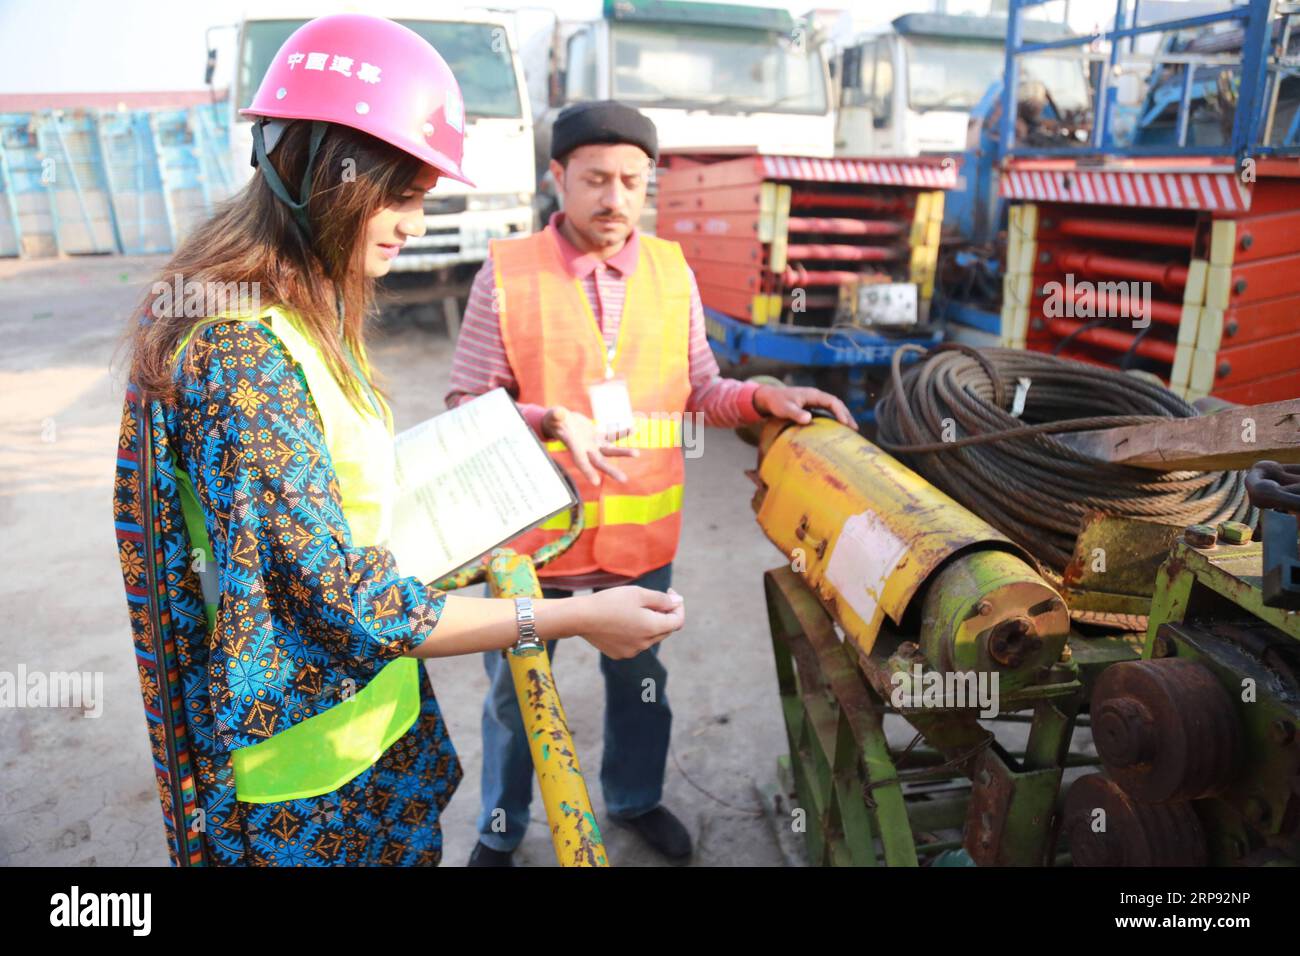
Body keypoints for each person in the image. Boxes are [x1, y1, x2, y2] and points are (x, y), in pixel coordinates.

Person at [113, 15, 684, 868]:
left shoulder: (301, 314)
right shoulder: (240, 349)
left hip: (358, 729)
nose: (415, 222)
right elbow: (344, 599)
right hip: (302, 776)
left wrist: (515, 428)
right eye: (402, 194)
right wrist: (576, 617)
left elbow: (321, 489)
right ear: (322, 172)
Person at [447, 99, 854, 866]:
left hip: (639, 542)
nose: (616, 199)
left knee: (641, 683)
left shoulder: (671, 269)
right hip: (531, 545)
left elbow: (702, 388)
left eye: (633, 181)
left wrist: (762, 395)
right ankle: (500, 826)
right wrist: (548, 418)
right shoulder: (505, 272)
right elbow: (469, 405)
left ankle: (635, 799)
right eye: (596, 179)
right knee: (514, 694)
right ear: (557, 177)